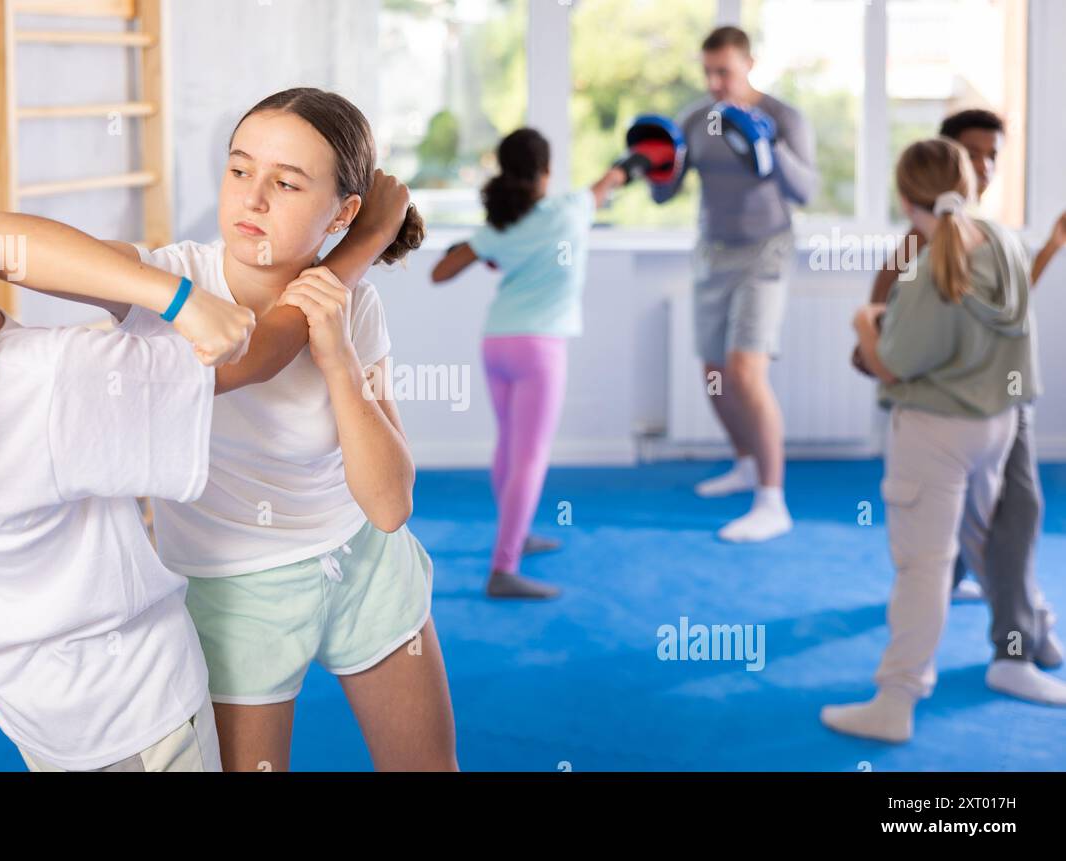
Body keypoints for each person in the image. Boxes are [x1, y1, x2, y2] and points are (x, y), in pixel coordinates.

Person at [0, 78, 400, 771]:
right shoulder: (56, 386)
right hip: (141, 714)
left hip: (29, 705)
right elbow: (259, 352)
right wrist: (358, 245)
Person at [112, 88, 459, 771]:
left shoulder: (354, 303)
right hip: (234, 589)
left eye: (286, 182)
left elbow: (389, 504)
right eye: (240, 170)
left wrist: (338, 360)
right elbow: (32, 254)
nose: (253, 198)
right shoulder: (169, 279)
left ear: (344, 212)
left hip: (362, 563)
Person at [823, 138, 1066, 745]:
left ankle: (896, 700)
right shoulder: (1008, 242)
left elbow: (892, 365)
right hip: (998, 425)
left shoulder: (931, 266)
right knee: (984, 545)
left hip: (934, 432)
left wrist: (863, 321)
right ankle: (1019, 648)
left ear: (906, 200)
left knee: (921, 568)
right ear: (971, 179)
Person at [430, 127, 626, 599]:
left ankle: (514, 536)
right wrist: (630, 166)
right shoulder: (569, 210)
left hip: (497, 341)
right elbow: (609, 183)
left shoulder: (500, 225)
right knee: (531, 458)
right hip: (540, 348)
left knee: (510, 446)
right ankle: (503, 568)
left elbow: (441, 273)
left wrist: (478, 251)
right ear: (546, 171)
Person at [652, 25, 818, 542]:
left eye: (724, 71)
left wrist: (766, 143)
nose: (715, 82)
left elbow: (807, 189)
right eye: (708, 71)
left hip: (766, 251)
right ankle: (744, 463)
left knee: (746, 370)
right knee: (715, 373)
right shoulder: (697, 121)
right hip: (712, 252)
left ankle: (773, 501)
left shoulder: (785, 117)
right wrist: (653, 161)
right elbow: (665, 195)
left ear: (749, 64)